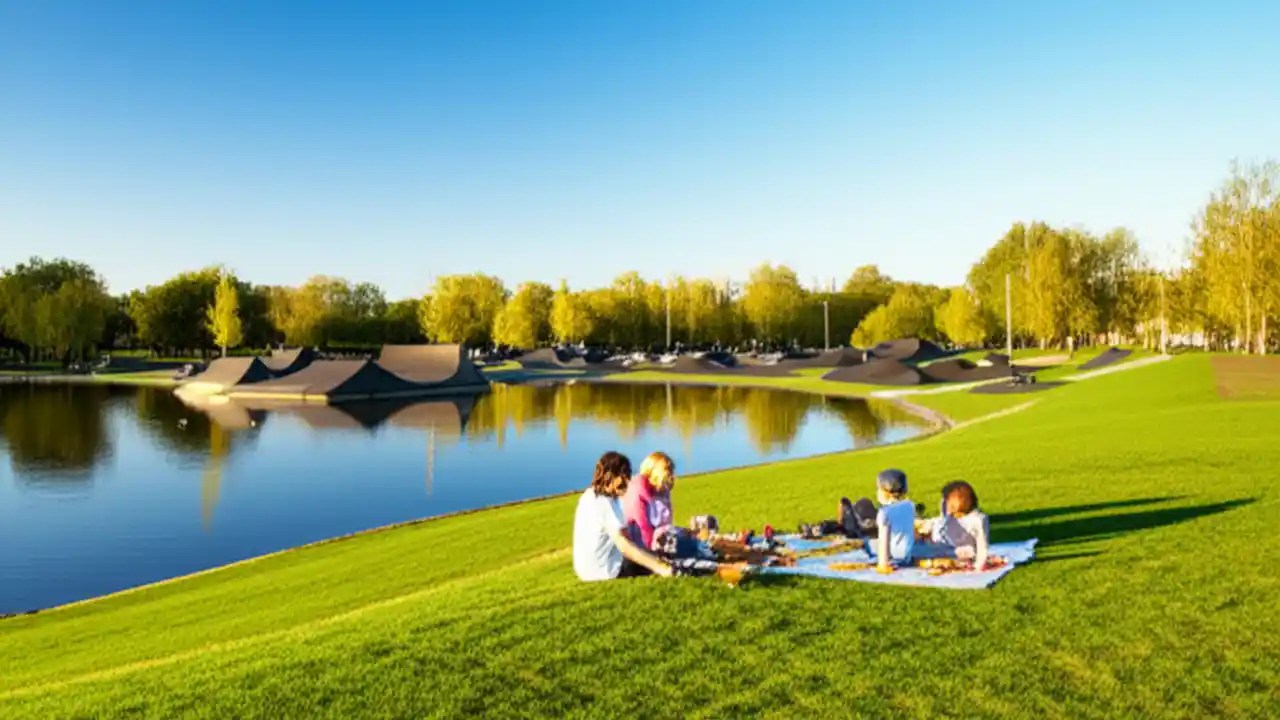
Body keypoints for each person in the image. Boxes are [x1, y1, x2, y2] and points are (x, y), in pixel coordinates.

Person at [572, 451, 673, 581]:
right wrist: (660, 567)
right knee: (663, 560)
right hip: (607, 571)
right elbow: (625, 545)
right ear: (610, 476)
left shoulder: (589, 495)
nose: (628, 480)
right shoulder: (604, 503)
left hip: (586, 571)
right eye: (624, 476)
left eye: (628, 475)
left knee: (655, 555)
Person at [928, 480, 990, 570]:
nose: (946, 503)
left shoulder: (978, 520)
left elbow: (982, 547)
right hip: (944, 555)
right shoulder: (945, 519)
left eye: (948, 499)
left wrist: (978, 566)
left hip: (966, 557)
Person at [622, 451, 676, 551]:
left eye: (671, 470)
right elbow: (641, 523)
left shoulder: (662, 489)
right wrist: (649, 550)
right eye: (666, 469)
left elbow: (667, 519)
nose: (670, 474)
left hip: (658, 537)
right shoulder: (637, 489)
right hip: (637, 538)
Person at [869, 468, 916, 573]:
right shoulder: (910, 505)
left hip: (894, 558)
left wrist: (883, 564)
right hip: (907, 555)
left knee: (868, 543)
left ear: (885, 492)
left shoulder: (884, 513)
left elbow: (884, 540)